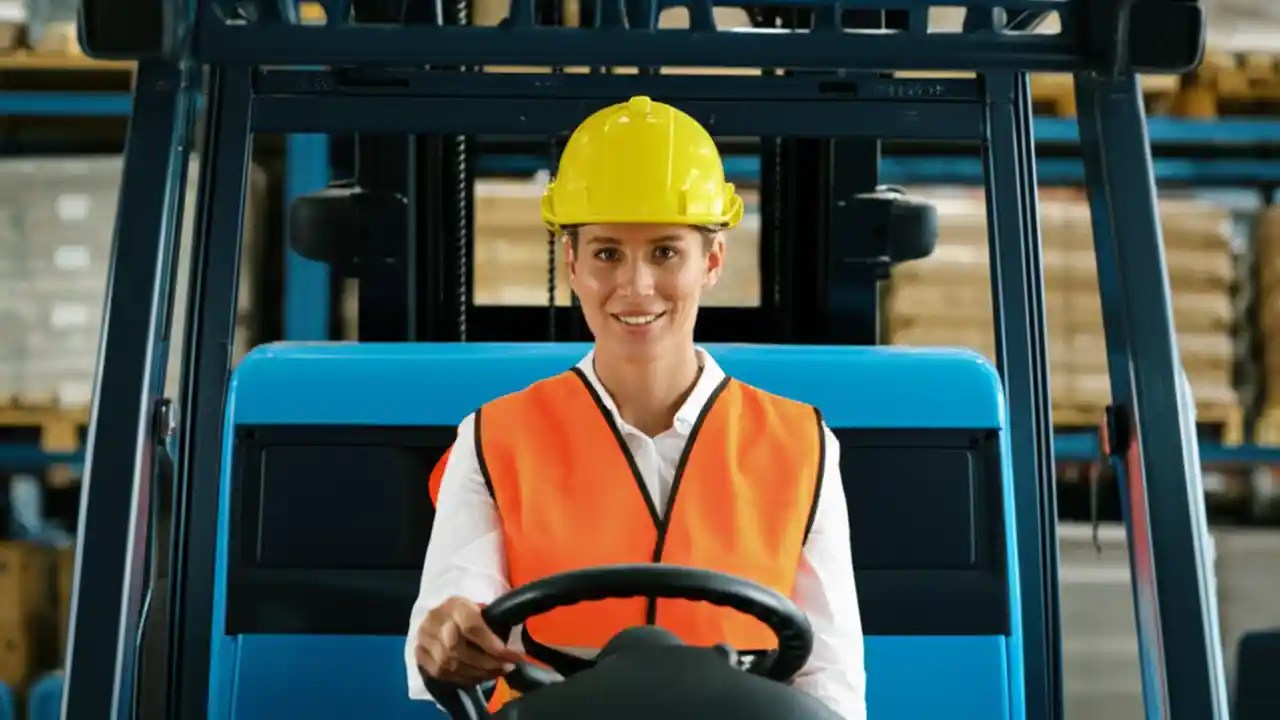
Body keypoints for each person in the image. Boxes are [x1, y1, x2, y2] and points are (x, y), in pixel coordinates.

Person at [404, 95, 866, 719]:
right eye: (607, 253)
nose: (636, 286)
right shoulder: (493, 436)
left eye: (666, 252)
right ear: (571, 261)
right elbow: (449, 628)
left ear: (713, 260)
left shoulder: (802, 443)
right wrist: (445, 638)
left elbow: (830, 681)